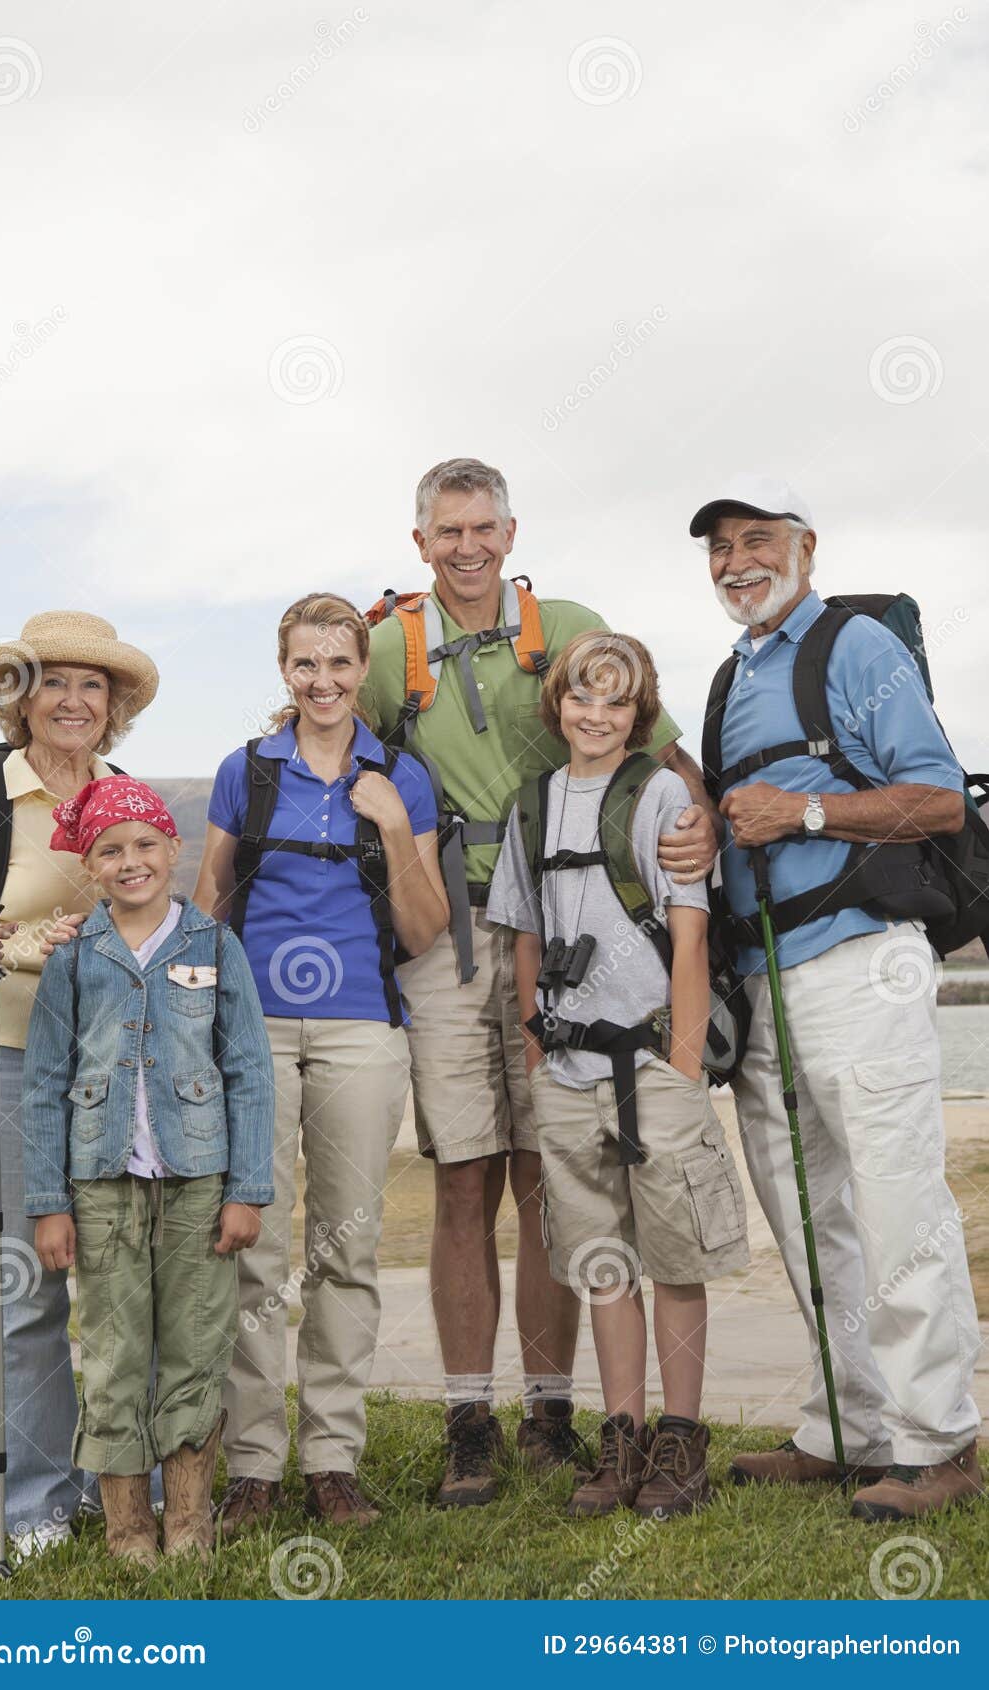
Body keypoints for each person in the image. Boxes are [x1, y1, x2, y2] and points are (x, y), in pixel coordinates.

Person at [358, 458, 720, 1506]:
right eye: (447, 532)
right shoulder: (389, 648)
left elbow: (647, 737)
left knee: (546, 1174)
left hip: (561, 923)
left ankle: (557, 1414)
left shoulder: (563, 621)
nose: (467, 547)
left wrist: (695, 828)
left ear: (511, 533)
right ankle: (469, 1417)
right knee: (462, 1175)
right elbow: (326, 732)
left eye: (484, 528)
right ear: (419, 542)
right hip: (444, 927)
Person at [695, 473, 982, 1520]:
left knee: (895, 1199)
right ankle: (849, 1424)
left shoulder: (855, 649)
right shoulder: (730, 676)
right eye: (719, 546)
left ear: (805, 544)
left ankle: (937, 1440)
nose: (736, 561)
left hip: (861, 960)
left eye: (755, 537)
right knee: (808, 1210)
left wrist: (803, 819)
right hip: (765, 978)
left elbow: (936, 796)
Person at [194, 593, 447, 1530]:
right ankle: (254, 1465)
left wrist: (386, 823)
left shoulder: (401, 777)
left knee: (347, 1251)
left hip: (361, 1033)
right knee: (253, 1250)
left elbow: (423, 934)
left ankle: (332, 1461)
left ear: (362, 671)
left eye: (340, 665)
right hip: (253, 1033)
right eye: (306, 665)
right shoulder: (244, 771)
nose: (324, 681)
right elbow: (209, 903)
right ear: (284, 671)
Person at [487, 631, 749, 1518]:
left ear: (639, 715)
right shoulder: (533, 803)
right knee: (601, 1261)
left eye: (616, 703)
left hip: (652, 1063)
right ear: (556, 703)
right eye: (581, 698)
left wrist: (679, 1062)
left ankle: (679, 1439)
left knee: (674, 1254)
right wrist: (533, 1051)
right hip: (565, 1069)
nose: (595, 716)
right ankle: (622, 1437)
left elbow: (688, 936)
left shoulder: (664, 793)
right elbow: (525, 936)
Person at [0, 611, 158, 1557]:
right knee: (25, 1286)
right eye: (52, 682)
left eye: (91, 685)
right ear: (21, 698)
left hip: (107, 1065)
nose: (72, 700)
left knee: (108, 1286)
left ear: (114, 706)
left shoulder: (126, 796)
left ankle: (106, 1488)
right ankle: (34, 1513)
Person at [21, 776, 274, 1566]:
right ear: (90, 866)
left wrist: (246, 1189)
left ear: (174, 849)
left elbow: (250, 1072)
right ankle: (128, 1525)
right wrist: (47, 1202)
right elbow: (42, 1083)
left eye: (144, 845)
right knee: (113, 1348)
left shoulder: (213, 945)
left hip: (198, 1182)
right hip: (99, 1185)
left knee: (197, 1345)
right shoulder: (73, 958)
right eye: (110, 851)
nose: (130, 862)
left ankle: (189, 1521)